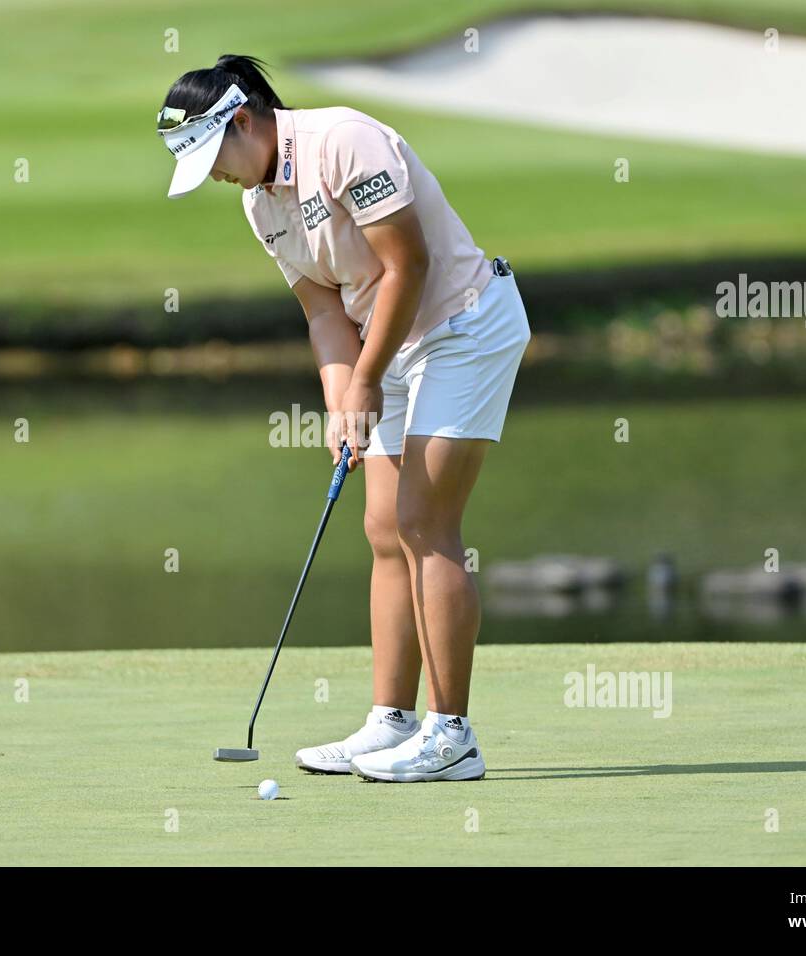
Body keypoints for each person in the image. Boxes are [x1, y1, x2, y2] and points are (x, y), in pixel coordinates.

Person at [157, 55, 531, 782]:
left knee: (426, 524)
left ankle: (451, 735)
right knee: (384, 527)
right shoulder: (259, 201)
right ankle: (389, 722)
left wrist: (365, 378)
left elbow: (408, 266)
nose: (215, 177)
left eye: (212, 159)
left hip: (463, 325)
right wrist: (341, 400)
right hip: (388, 341)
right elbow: (324, 309)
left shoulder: (342, 143)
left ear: (242, 120)